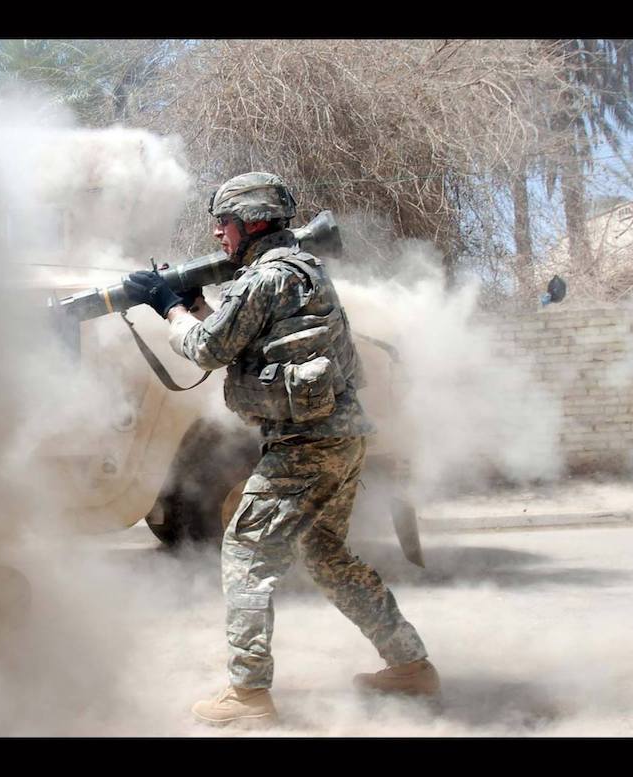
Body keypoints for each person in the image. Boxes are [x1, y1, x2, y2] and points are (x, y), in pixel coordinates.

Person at [124, 172, 439, 726]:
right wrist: (196, 305)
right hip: (340, 439)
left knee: (246, 555)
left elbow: (204, 349)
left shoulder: (261, 280)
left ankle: (248, 697)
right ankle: (410, 665)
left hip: (303, 445)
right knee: (328, 556)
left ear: (250, 222)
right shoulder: (298, 272)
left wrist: (168, 305)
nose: (219, 235)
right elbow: (235, 339)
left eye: (224, 224)